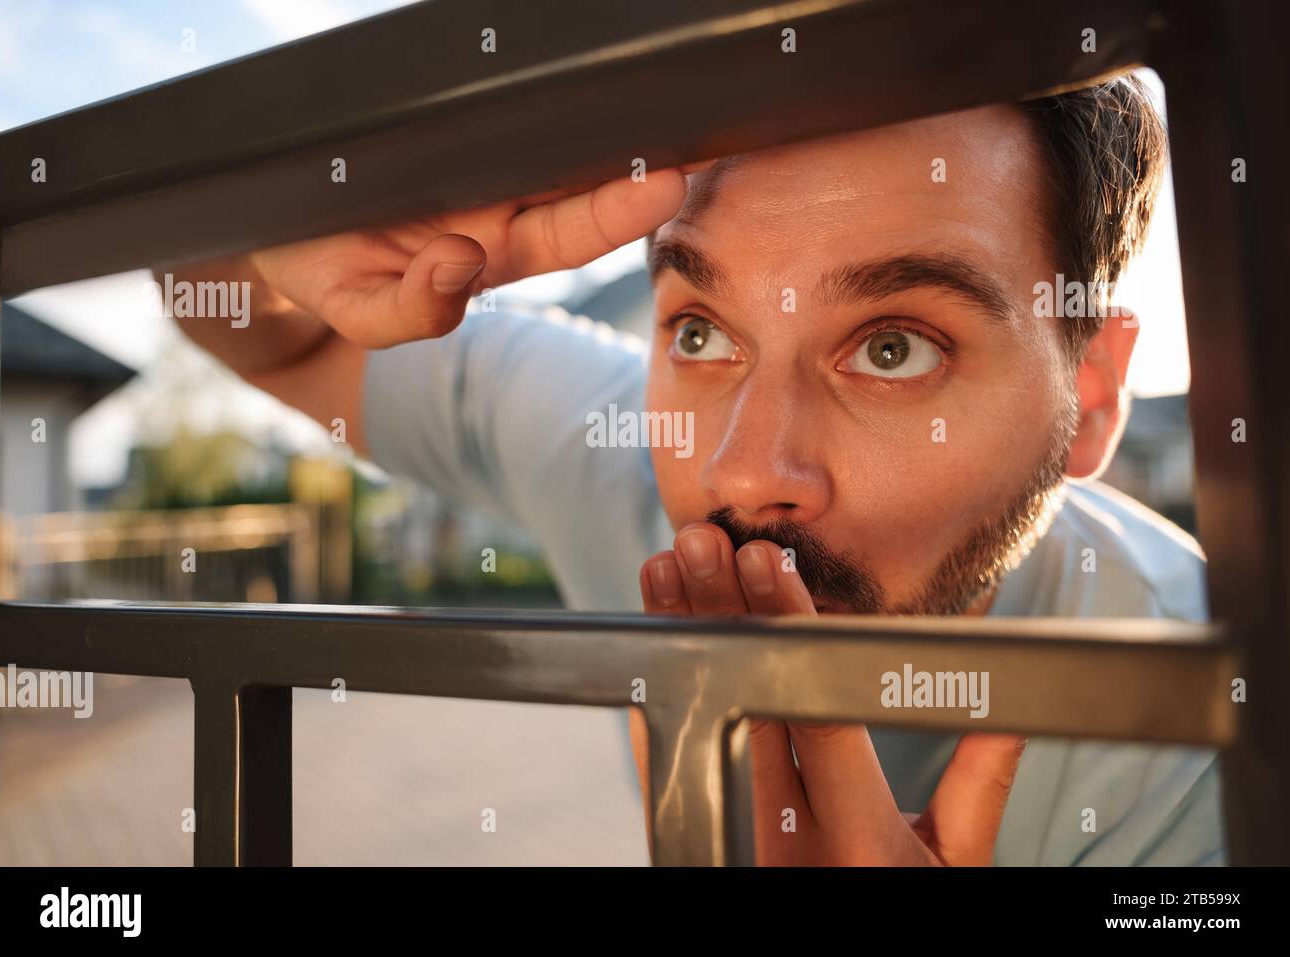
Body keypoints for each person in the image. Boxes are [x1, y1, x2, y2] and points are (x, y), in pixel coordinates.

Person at [169, 73, 1222, 865]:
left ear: (1087, 395)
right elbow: (251, 319)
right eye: (703, 333)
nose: (743, 473)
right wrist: (288, 230)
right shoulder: (608, 441)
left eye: (893, 347)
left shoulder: (1205, 730)